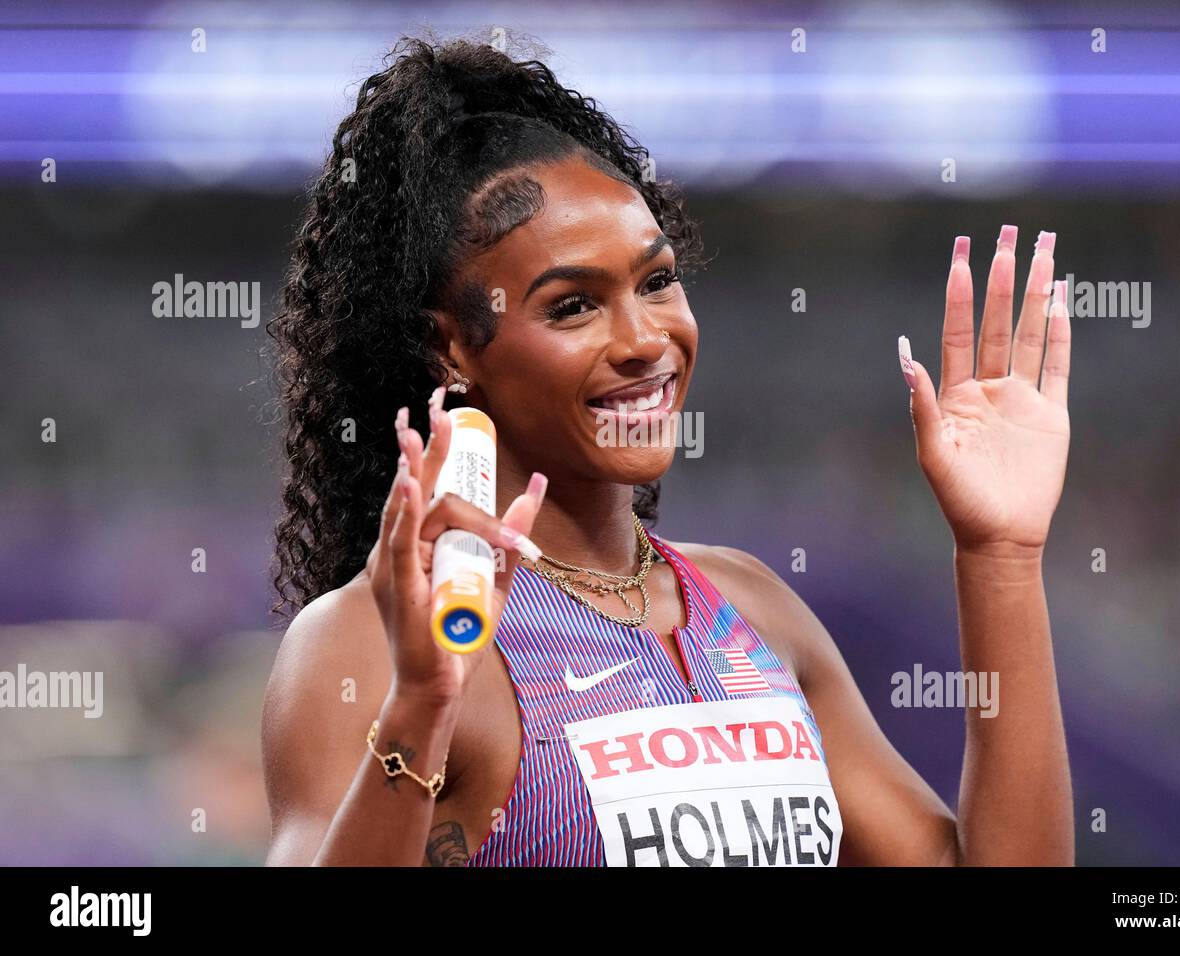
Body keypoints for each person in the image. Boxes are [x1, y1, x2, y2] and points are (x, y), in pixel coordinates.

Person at [261, 34, 1074, 866]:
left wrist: (999, 555)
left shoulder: (754, 611)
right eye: (574, 305)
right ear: (448, 350)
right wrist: (421, 708)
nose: (646, 340)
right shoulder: (368, 644)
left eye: (656, 281)